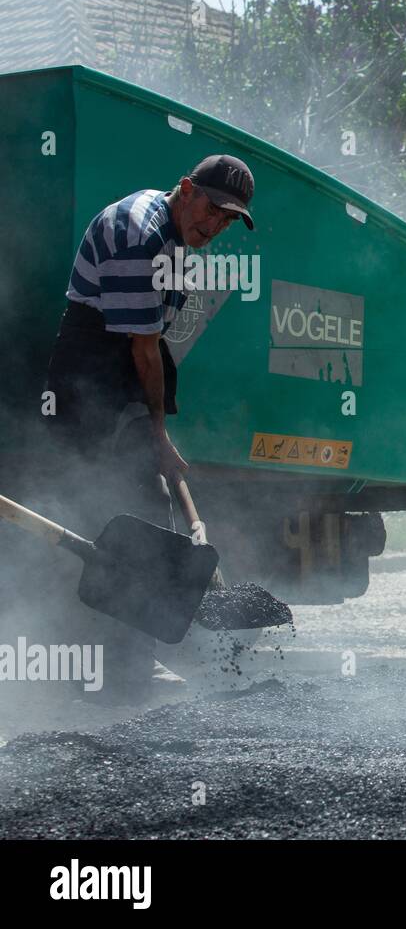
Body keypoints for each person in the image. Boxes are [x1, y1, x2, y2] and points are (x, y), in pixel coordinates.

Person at [43, 154, 255, 702]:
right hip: (87, 368)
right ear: (186, 190)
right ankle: (112, 664)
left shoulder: (180, 245)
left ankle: (132, 657)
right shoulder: (141, 233)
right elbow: (139, 347)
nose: (215, 226)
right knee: (107, 512)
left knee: (146, 508)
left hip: (125, 362)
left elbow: (150, 342)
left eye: (228, 221)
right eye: (212, 209)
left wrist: (151, 426)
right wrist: (158, 435)